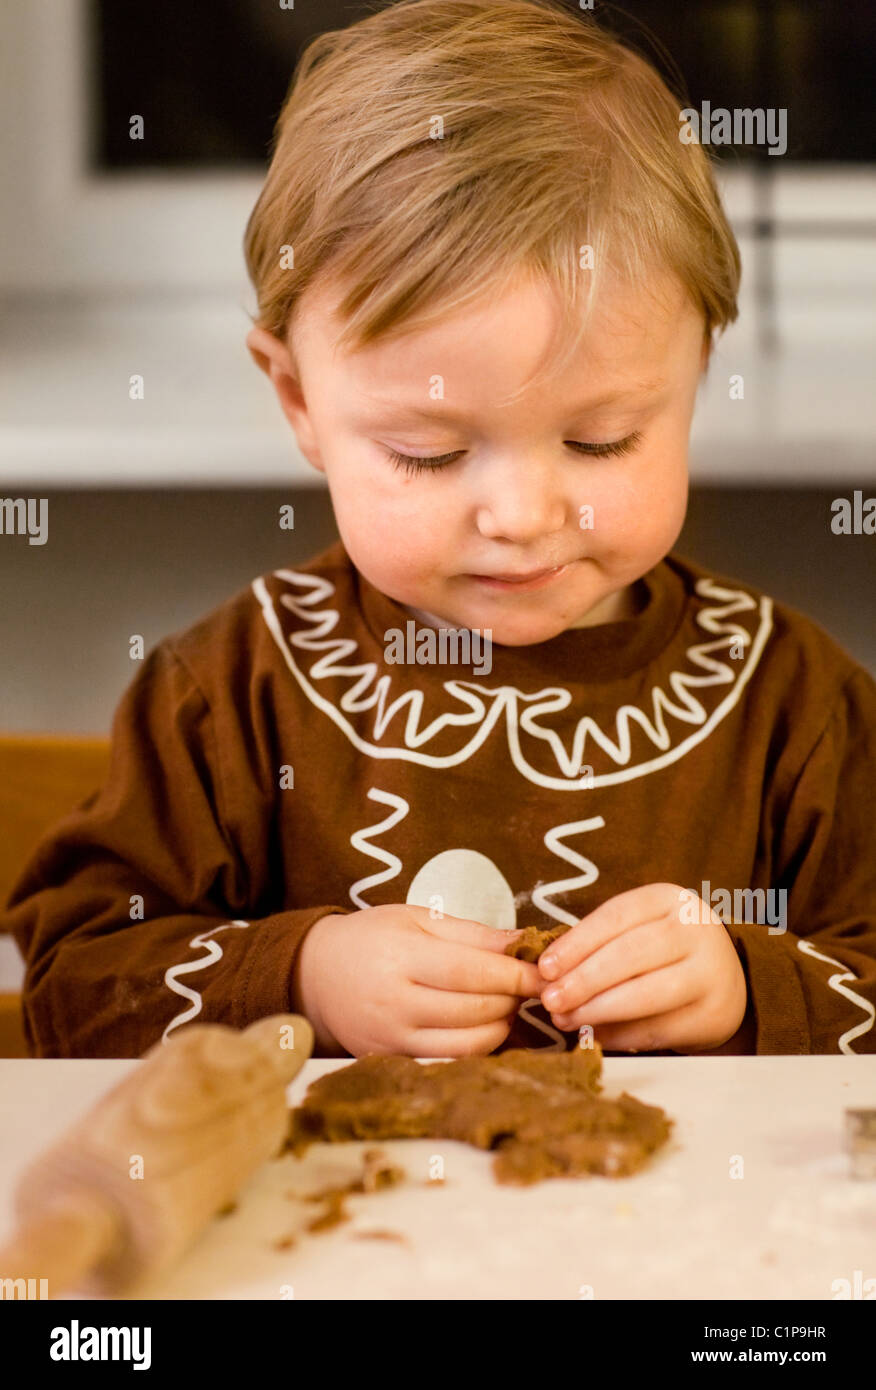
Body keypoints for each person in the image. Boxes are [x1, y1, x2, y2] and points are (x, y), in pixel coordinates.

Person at [4, 0, 875, 1058]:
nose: (519, 518)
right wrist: (302, 977)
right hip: (327, 1224)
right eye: (428, 452)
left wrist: (751, 982)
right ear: (297, 402)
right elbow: (73, 989)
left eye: (600, 441)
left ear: (693, 379)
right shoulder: (226, 702)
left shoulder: (799, 711)